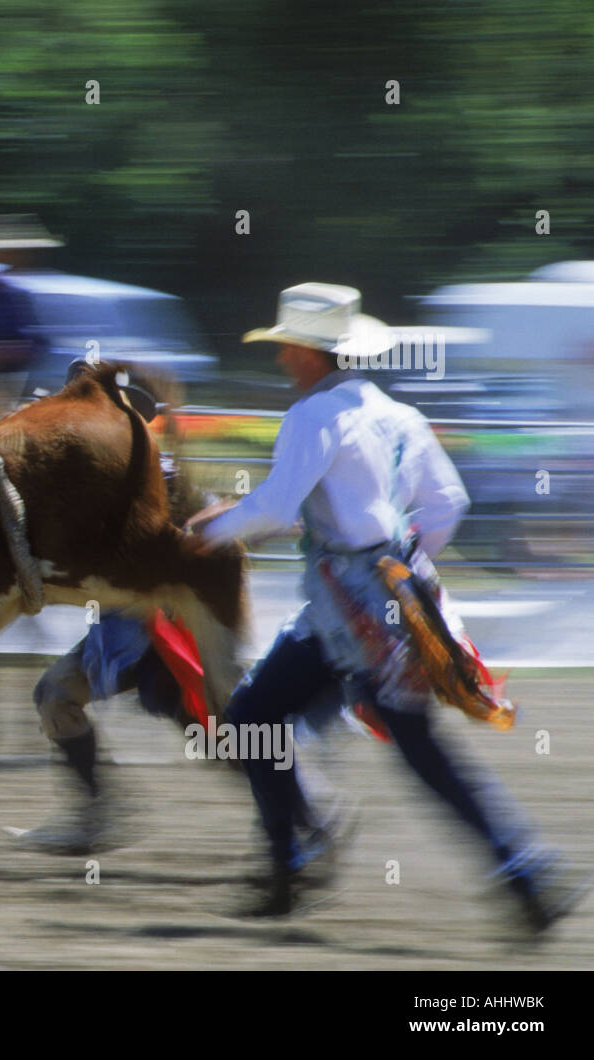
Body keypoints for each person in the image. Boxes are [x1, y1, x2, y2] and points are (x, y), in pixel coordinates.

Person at [186, 282, 583, 929]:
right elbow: (449, 504)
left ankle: (293, 862)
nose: (284, 361)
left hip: (343, 609)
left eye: (289, 350)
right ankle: (521, 868)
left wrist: (204, 533)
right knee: (409, 748)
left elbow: (277, 509)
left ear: (311, 354)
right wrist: (397, 562)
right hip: (397, 598)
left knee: (256, 717)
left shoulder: (313, 416)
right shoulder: (398, 415)